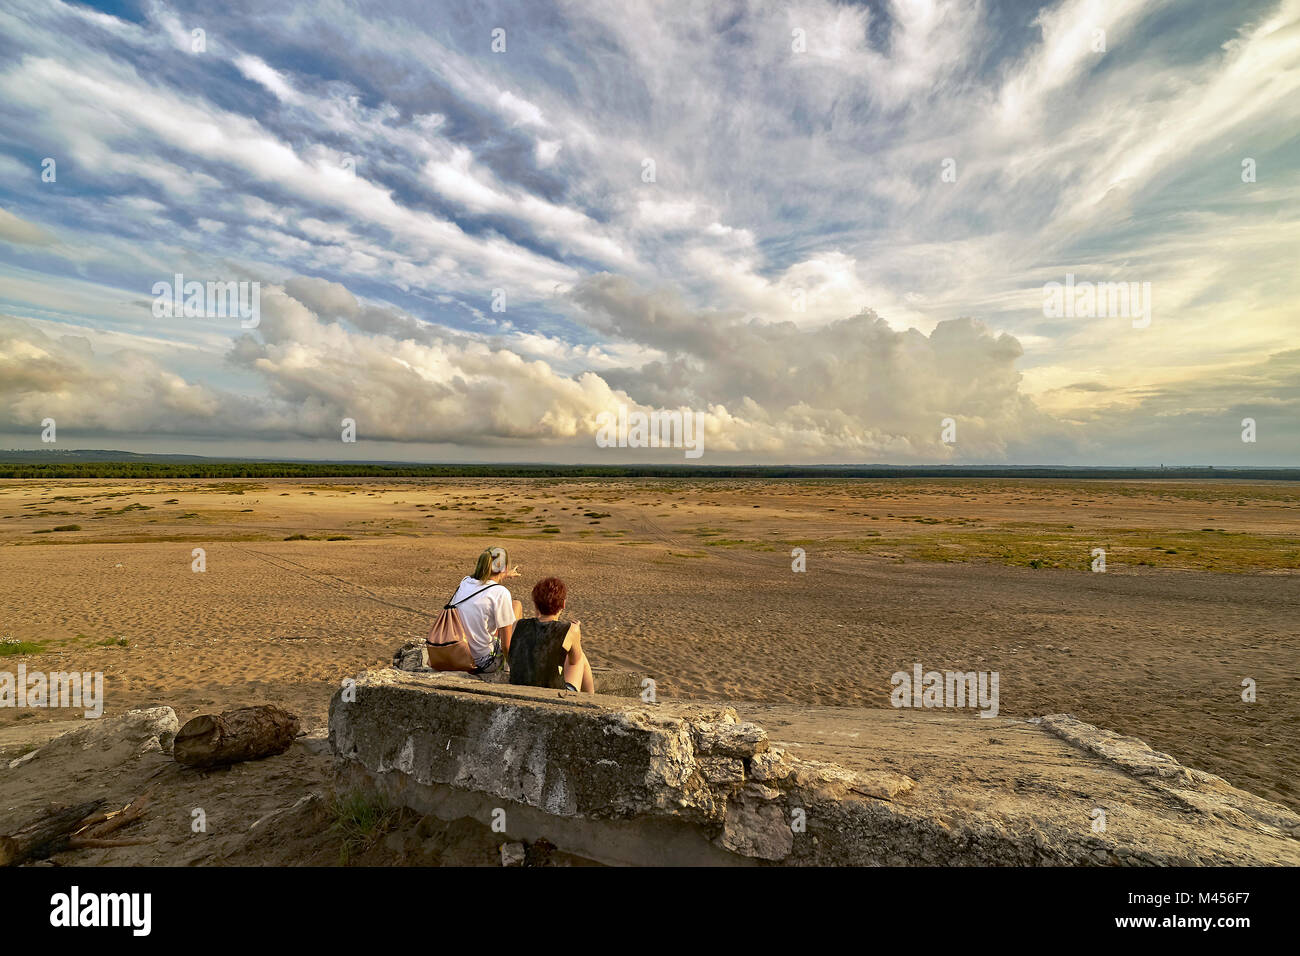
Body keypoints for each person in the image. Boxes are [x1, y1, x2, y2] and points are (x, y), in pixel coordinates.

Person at [441, 546, 522, 674]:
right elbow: (506, 646)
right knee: (516, 606)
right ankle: (507, 666)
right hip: (482, 662)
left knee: (493, 616)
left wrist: (505, 574)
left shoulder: (465, 582)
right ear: (504, 568)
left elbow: (486, 580)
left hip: (457, 653)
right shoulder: (501, 593)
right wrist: (516, 669)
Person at [509, 576, 595, 693]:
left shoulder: (517, 625)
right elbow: (574, 661)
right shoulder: (570, 629)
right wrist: (577, 633)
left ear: (535, 604)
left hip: (518, 689)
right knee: (581, 658)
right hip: (553, 694)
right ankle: (591, 700)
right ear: (563, 604)